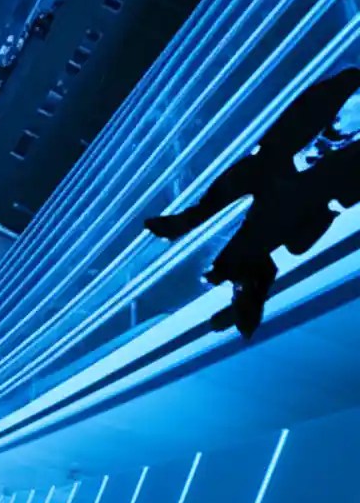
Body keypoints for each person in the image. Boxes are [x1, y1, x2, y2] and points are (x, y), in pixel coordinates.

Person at [144, 67, 360, 337]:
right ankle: (233, 280)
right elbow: (302, 109)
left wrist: (330, 209)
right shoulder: (343, 85)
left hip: (304, 188)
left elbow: (344, 192)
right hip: (283, 166)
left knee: (270, 233)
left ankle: (243, 293)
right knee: (245, 188)